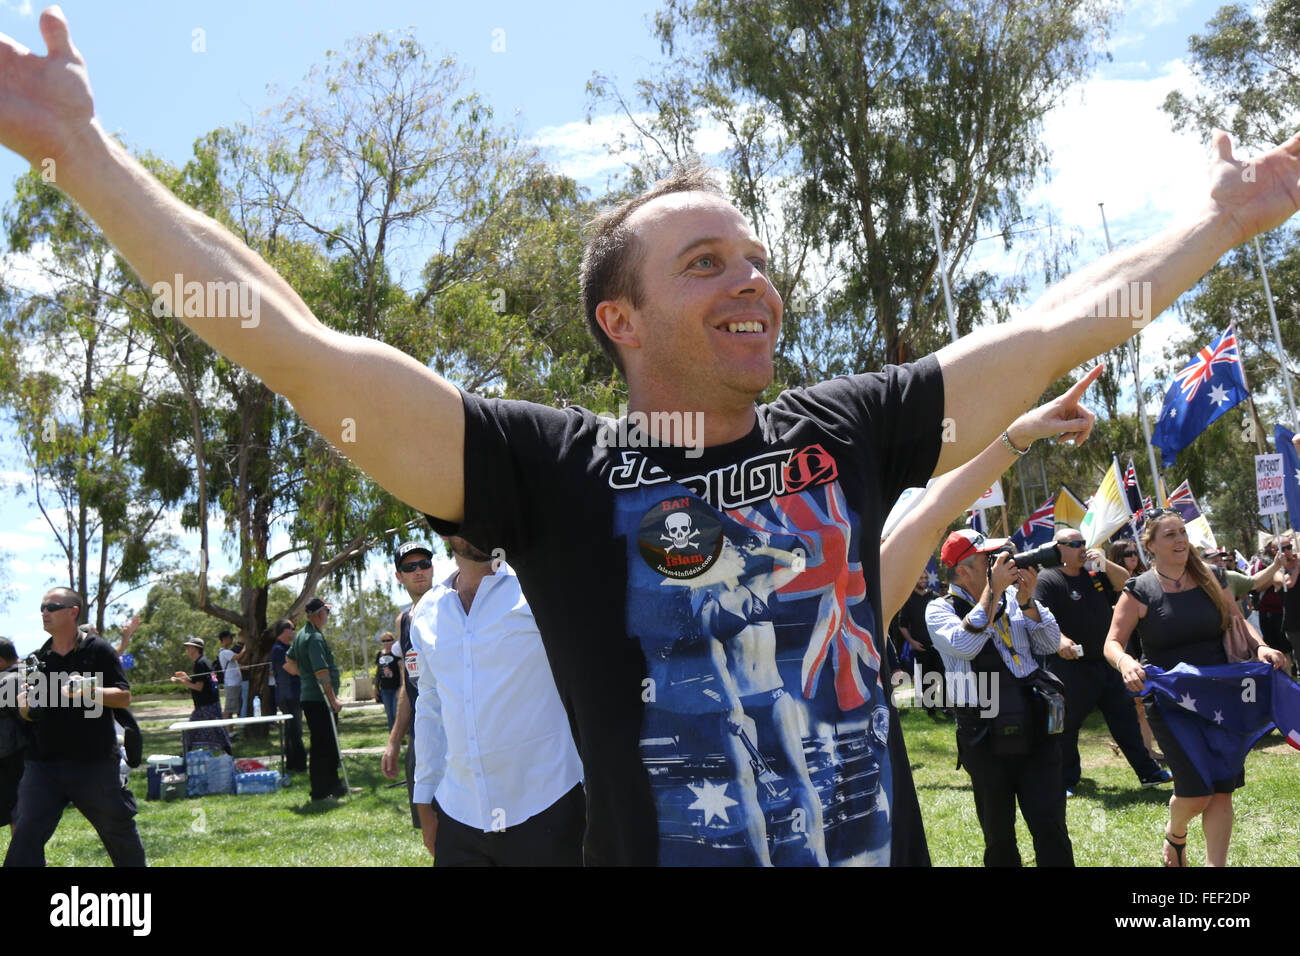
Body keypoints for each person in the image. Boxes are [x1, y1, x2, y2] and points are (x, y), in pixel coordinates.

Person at [6, 8, 1298, 863]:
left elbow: (1049, 327)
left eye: (754, 255)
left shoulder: (842, 431)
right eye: (704, 263)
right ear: (621, 318)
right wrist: (81, 152)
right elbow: (298, 349)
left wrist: (1220, 227)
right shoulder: (549, 475)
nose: (754, 280)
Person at [1105, 510, 1287, 866]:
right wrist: (1126, 662)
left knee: (1222, 790)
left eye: (1182, 533)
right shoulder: (1139, 589)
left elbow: (1237, 621)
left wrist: (1260, 646)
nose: (1180, 540)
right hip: (1171, 703)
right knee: (1196, 792)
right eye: (1170, 534)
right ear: (1150, 546)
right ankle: (1176, 834)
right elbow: (1112, 642)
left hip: (1220, 696)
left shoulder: (1211, 577)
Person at [412, 536, 585, 866]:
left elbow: (585, 687)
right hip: (458, 816)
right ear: (445, 531)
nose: (478, 523)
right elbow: (430, 706)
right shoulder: (428, 612)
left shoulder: (538, 588)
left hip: (548, 808)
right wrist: (424, 799)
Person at [925, 532, 1075, 867]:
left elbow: (1051, 643)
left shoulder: (1013, 598)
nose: (1000, 564)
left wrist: (1028, 600)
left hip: (1035, 727)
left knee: (1051, 826)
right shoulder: (939, 610)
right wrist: (992, 594)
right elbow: (965, 645)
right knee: (999, 836)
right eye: (988, 560)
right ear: (963, 571)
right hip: (985, 736)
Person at [4, 588, 145, 867]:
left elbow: (123, 696)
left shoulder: (98, 651)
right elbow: (30, 712)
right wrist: (24, 709)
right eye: (42, 607)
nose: (45, 612)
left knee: (117, 829)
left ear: (73, 612)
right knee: (27, 832)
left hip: (94, 763)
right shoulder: (38, 660)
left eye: (52, 607)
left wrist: (88, 690)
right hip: (43, 765)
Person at [1033, 528, 1170, 796]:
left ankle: (1148, 772)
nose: (1082, 547)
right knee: (1066, 725)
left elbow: (1126, 582)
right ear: (1059, 548)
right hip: (1069, 665)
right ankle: (1065, 780)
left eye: (1083, 542)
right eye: (1074, 543)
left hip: (1104, 664)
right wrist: (1060, 640)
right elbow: (1039, 615)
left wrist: (1105, 563)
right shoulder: (1048, 579)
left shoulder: (1095, 576)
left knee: (1125, 718)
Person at [381, 541, 436, 830]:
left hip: (453, 736)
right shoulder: (403, 621)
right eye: (409, 567)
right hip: (420, 736)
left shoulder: (451, 605)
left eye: (424, 564)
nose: (419, 572)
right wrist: (393, 741)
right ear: (399, 576)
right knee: (428, 830)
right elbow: (407, 686)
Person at [286, 598, 353, 802]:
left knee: (329, 743)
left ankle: (334, 786)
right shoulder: (313, 637)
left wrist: (304, 675)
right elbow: (321, 671)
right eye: (326, 612)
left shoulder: (300, 635)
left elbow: (289, 662)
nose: (327, 616)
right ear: (318, 614)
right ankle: (320, 792)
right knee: (322, 746)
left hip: (311, 697)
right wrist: (333, 699)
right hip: (319, 700)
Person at [170, 637, 231, 755]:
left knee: (217, 731)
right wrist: (186, 678)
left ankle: (228, 755)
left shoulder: (200, 663)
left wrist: (181, 682)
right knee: (192, 732)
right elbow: (201, 681)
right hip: (207, 704)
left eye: (189, 647)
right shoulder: (202, 662)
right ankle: (184, 757)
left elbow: (199, 687)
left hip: (207, 706)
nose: (187, 650)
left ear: (195, 649)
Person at [269, 619, 307, 773]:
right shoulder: (278, 649)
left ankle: (292, 764)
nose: (294, 631)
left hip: (294, 693)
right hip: (288, 695)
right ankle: (300, 764)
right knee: (295, 731)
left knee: (292, 731)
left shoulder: (288, 648)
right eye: (292, 628)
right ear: (285, 630)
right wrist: (307, 672)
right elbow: (290, 669)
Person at [0, 639, 28, 835]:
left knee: (18, 812)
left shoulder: (10, 680)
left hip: (14, 758)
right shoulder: (31, 673)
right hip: (19, 755)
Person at [374, 633, 402, 732]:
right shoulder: (380, 654)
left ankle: (400, 734)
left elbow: (401, 670)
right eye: (384, 641)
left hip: (396, 689)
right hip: (385, 690)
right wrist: (376, 688)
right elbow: (378, 672)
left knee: (396, 713)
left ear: (393, 641)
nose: (386, 643)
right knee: (389, 714)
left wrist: (401, 687)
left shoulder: (397, 654)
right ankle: (392, 735)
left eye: (389, 640)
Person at [216, 630, 244, 720]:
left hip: (235, 683)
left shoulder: (227, 652)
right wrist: (245, 647)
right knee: (229, 709)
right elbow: (237, 657)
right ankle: (228, 731)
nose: (232, 639)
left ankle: (230, 730)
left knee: (234, 707)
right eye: (230, 637)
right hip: (231, 684)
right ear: (224, 639)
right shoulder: (224, 652)